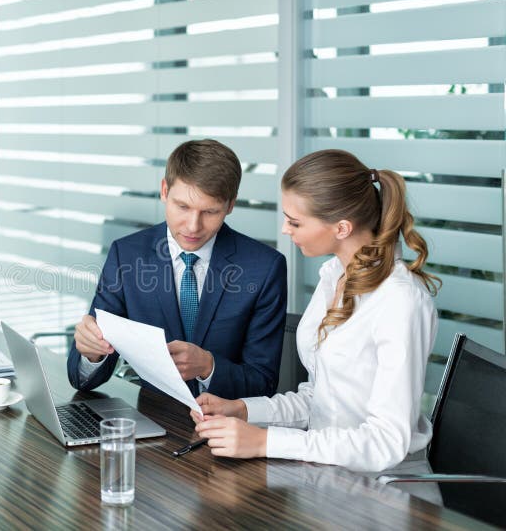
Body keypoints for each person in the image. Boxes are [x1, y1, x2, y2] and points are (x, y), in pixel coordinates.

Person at [191, 149, 442, 500]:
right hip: (327, 480)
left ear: (341, 228)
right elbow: (322, 399)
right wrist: (245, 409)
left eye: (295, 222)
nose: (285, 229)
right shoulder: (333, 276)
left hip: (385, 495)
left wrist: (266, 441)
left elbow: (386, 442)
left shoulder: (400, 300)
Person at [67, 139, 287, 400]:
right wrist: (91, 353)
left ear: (230, 205)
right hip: (154, 416)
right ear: (164, 191)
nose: (193, 226)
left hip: (227, 420)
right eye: (183, 207)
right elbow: (82, 379)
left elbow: (263, 383)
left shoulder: (265, 268)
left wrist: (209, 367)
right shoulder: (126, 255)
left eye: (210, 212)